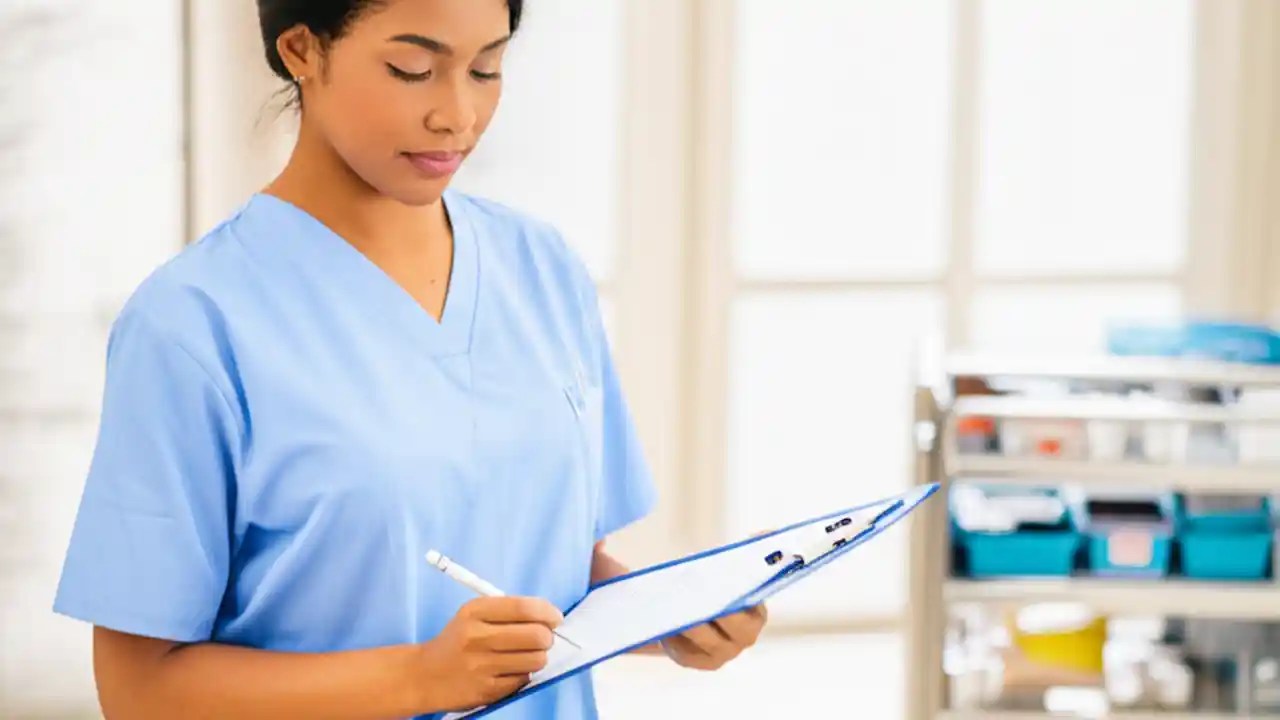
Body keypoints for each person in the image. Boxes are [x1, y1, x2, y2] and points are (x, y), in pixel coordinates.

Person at [52, 1, 767, 718]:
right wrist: (419, 679)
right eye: (413, 70)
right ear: (302, 50)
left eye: (487, 67)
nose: (458, 114)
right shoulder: (192, 324)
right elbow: (138, 691)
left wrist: (671, 615)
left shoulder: (541, 269)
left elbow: (560, 573)